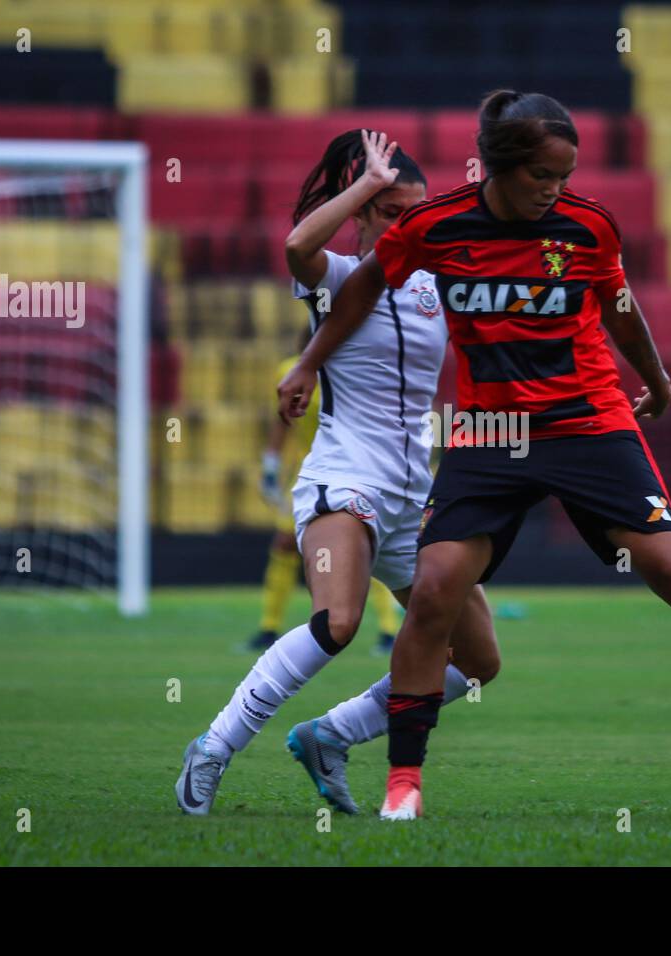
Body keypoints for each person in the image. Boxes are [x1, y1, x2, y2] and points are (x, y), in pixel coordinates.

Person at [278, 92, 671, 822]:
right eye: (544, 174)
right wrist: (308, 363)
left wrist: (659, 380)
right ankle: (404, 783)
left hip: (588, 422)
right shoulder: (435, 226)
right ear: (503, 169)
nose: (555, 188)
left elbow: (620, 307)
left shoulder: (587, 226)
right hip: (490, 427)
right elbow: (358, 295)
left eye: (564, 174)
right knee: (438, 586)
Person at [176, 129, 499, 817]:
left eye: (414, 212)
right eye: (389, 212)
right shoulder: (339, 278)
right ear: (363, 214)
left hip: (417, 496)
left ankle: (331, 735)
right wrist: (364, 182)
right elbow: (295, 247)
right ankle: (213, 747)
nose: (403, 225)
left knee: (478, 661)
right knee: (340, 621)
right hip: (344, 476)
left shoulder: (438, 288)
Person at [250, 346, 401, 657]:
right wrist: (270, 465)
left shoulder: (358, 367)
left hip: (358, 470)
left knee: (369, 545)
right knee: (285, 543)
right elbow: (282, 419)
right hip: (311, 473)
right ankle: (268, 627)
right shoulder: (291, 369)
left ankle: (388, 630)